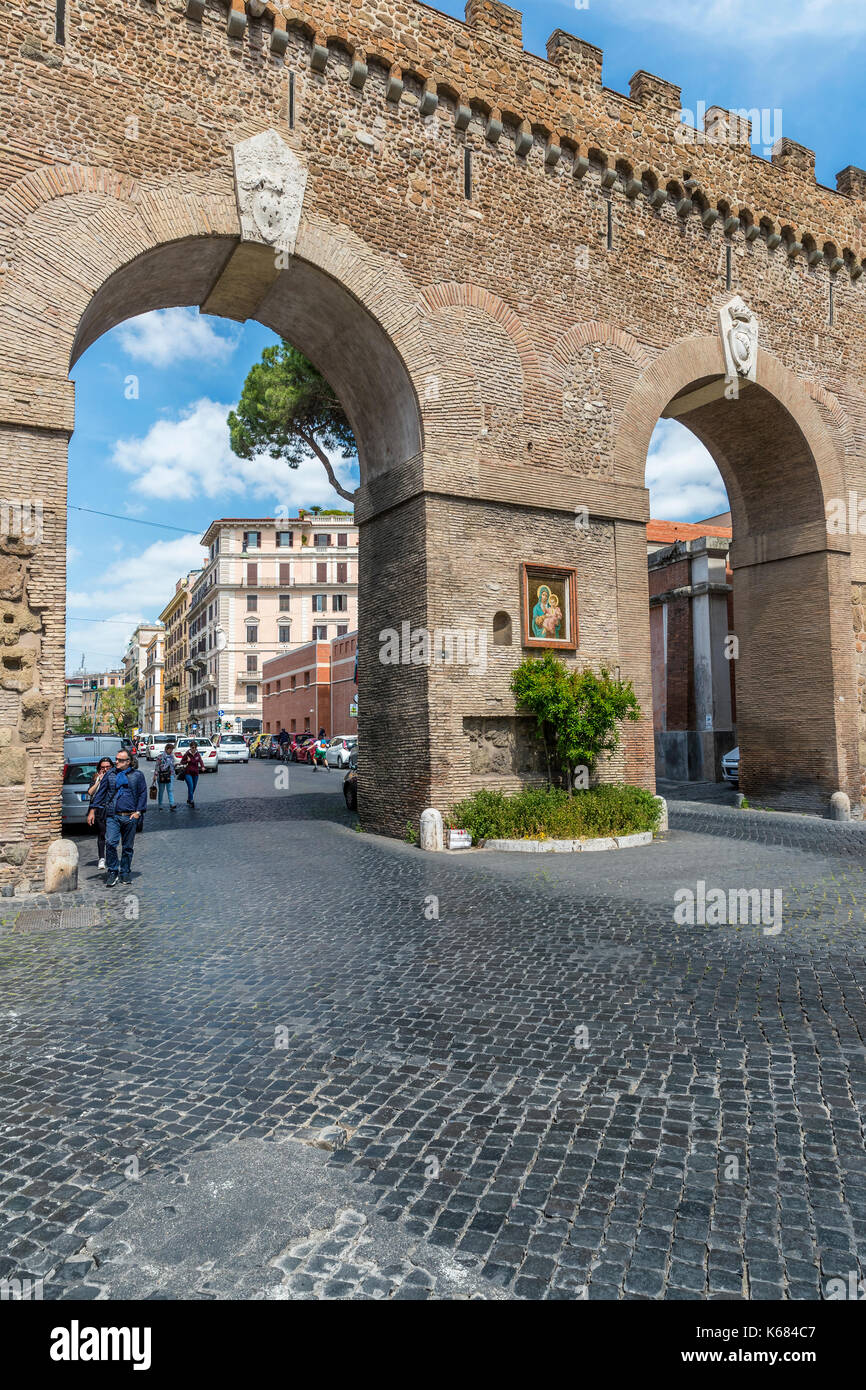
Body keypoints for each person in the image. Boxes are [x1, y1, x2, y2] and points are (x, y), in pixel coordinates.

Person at [87, 747, 147, 886]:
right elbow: (101, 793)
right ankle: (113, 871)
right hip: (113, 815)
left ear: (128, 762)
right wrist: (92, 810)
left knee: (127, 847)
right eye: (116, 759)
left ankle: (125, 872)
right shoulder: (110, 774)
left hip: (130, 816)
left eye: (120, 760)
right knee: (110, 843)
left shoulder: (137, 775)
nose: (117, 762)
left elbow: (142, 793)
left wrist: (138, 812)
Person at [86, 756, 114, 870]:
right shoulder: (96, 777)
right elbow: (90, 792)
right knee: (102, 833)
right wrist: (99, 781)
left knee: (112, 835)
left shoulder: (114, 776)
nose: (105, 769)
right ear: (99, 768)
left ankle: (112, 857)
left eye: (108, 767)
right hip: (100, 810)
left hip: (112, 809)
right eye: (103, 767)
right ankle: (102, 858)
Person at [178, 740, 205, 808]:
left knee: (193, 788)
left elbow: (200, 761)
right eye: (192, 747)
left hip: (195, 773)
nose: (194, 749)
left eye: (195, 747)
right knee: (191, 786)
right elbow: (182, 762)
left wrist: (202, 767)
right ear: (190, 747)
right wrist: (187, 761)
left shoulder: (197, 754)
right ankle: (192, 800)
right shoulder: (187, 754)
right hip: (188, 773)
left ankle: (189, 799)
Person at [152, 741, 177, 811]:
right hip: (161, 775)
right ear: (166, 749)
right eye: (170, 749)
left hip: (170, 775)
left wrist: (176, 765)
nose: (171, 751)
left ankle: (172, 804)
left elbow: (172, 766)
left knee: (170, 790)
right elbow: (157, 766)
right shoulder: (160, 757)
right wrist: (155, 775)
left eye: (172, 749)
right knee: (161, 791)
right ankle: (160, 805)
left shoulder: (172, 757)